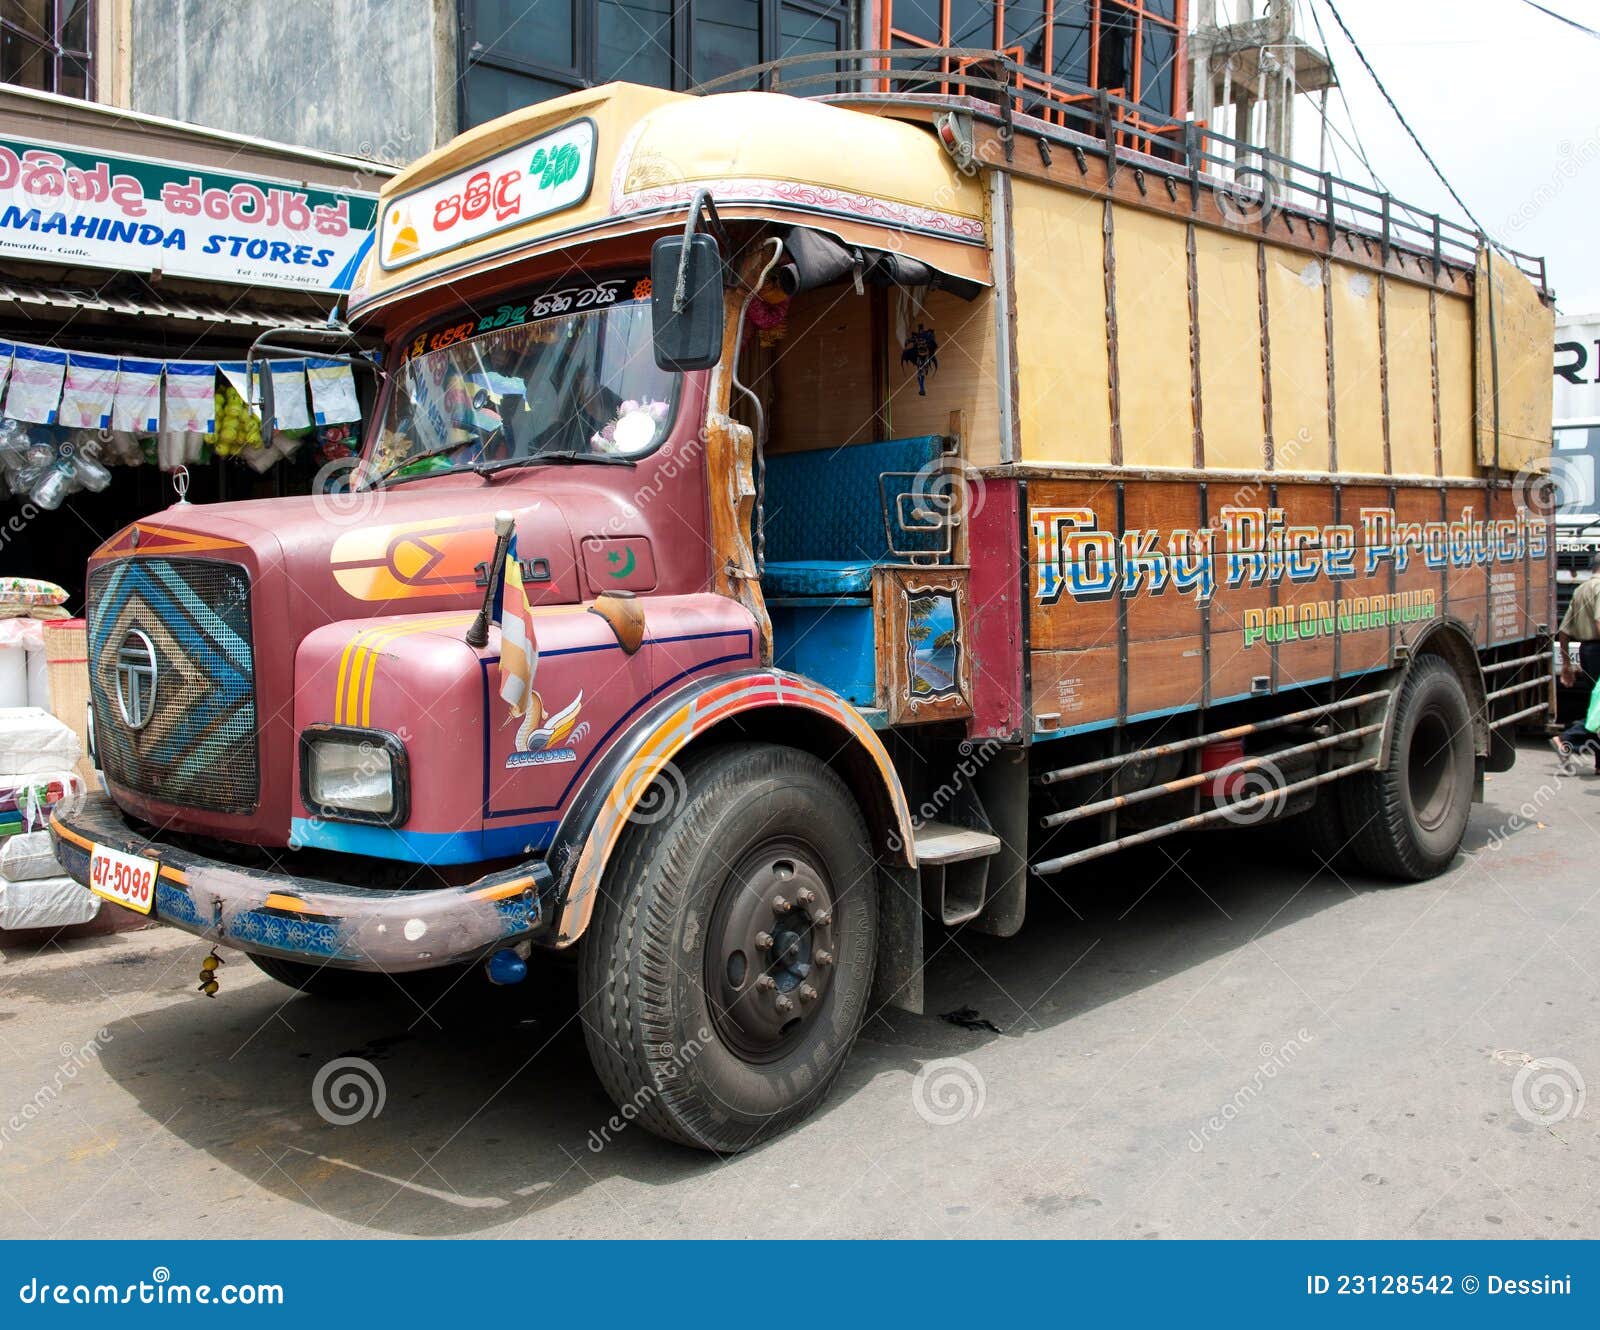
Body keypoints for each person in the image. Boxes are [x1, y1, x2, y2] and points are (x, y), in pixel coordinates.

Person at [1554, 550, 1600, 771]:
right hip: (1598, 649)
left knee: (1596, 705)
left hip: (1586, 651)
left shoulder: (1580, 589)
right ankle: (1567, 739)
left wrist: (1566, 664)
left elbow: (1563, 631)